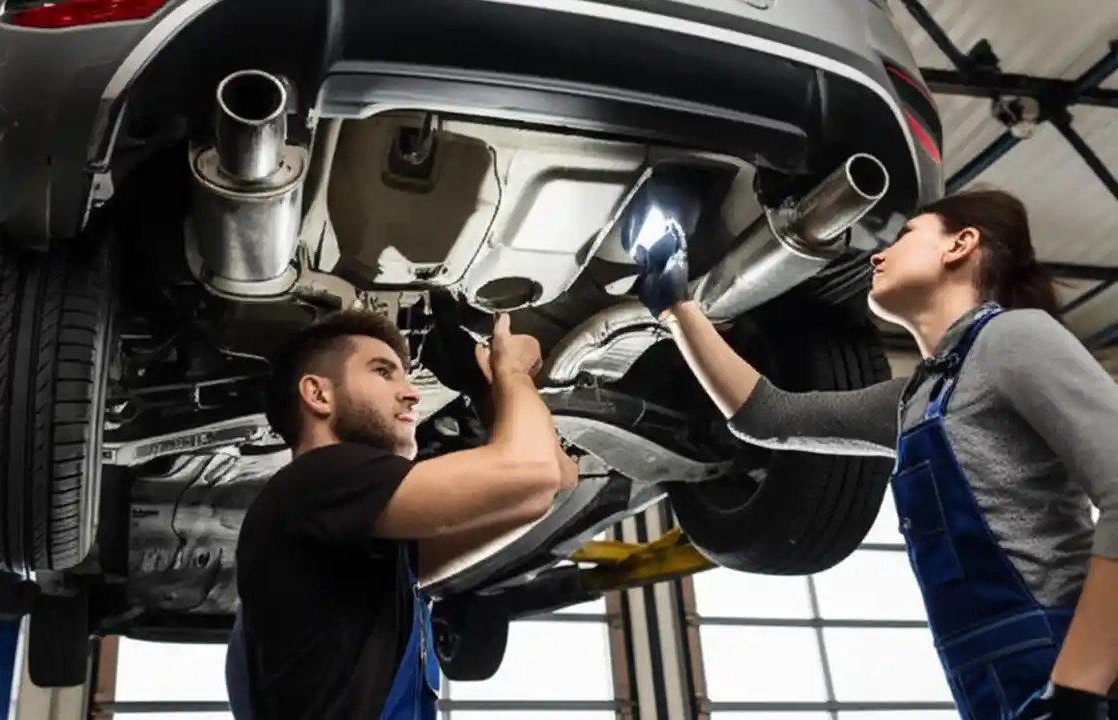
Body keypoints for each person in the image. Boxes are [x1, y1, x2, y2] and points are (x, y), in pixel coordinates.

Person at [622, 187, 1118, 719]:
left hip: (1072, 664)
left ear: (961, 245)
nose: (878, 254)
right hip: (988, 684)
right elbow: (769, 418)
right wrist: (678, 310)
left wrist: (1076, 691)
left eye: (906, 235)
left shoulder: (1015, 337)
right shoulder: (916, 400)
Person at [224, 308, 578, 719]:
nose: (412, 394)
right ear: (319, 395)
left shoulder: (350, 533)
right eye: (383, 372)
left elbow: (547, 484)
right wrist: (510, 371)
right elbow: (536, 476)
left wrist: (486, 389)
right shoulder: (317, 480)